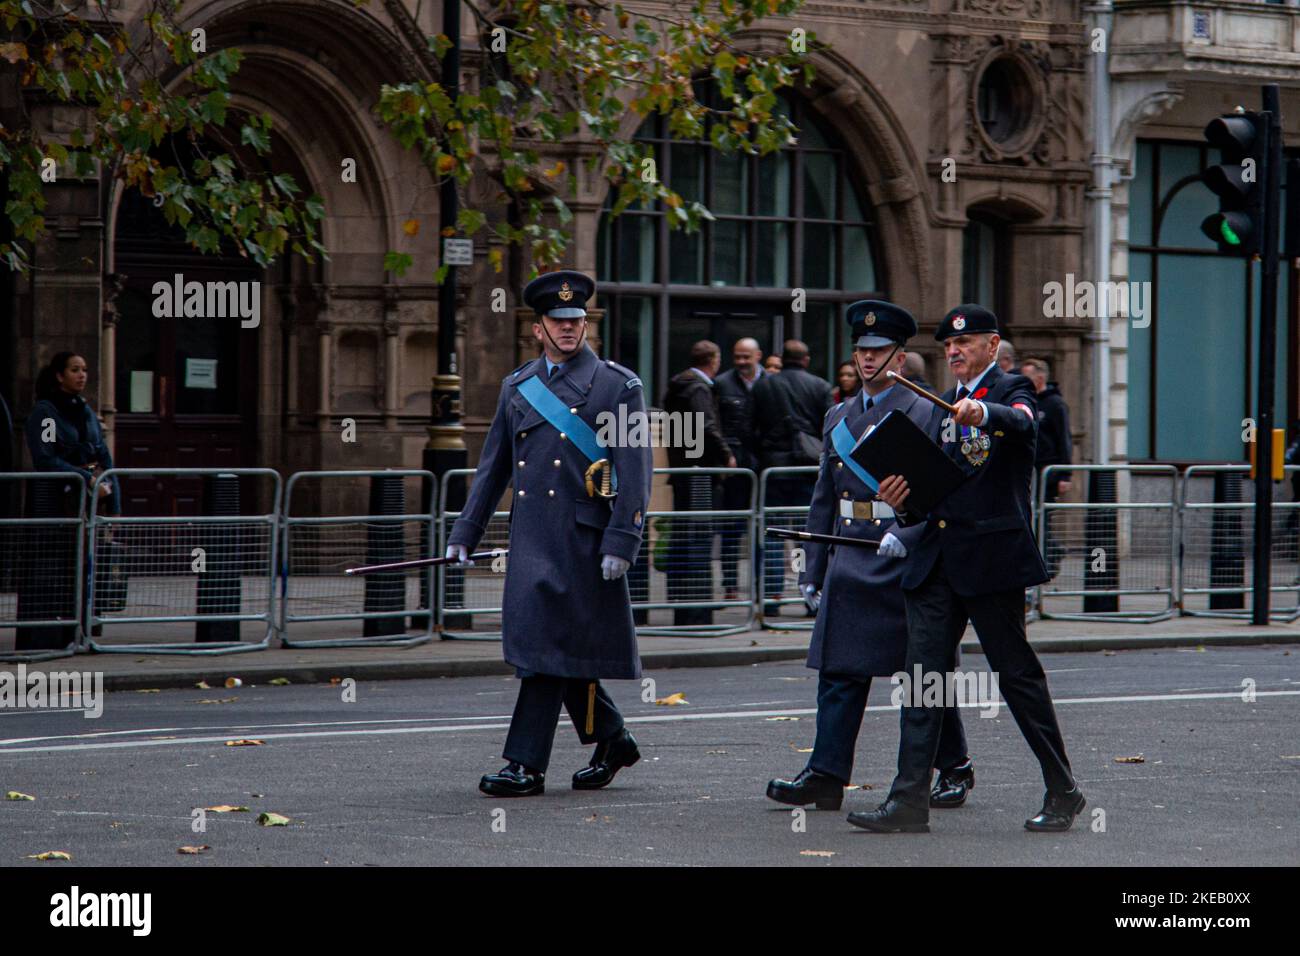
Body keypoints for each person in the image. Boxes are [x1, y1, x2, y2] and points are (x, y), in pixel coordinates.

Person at [851, 305, 1083, 834]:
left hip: (991, 560)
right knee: (922, 679)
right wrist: (902, 501)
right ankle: (908, 801)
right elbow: (939, 490)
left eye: (966, 343)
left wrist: (985, 415)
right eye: (948, 347)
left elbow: (1026, 423)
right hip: (938, 559)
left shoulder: (1009, 388)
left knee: (1017, 676)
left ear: (991, 344)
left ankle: (1063, 788)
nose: (954, 352)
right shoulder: (947, 402)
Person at [446, 270, 653, 797]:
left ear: (586, 323)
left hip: (584, 541)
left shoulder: (618, 385)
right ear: (538, 327)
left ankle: (525, 765)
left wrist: (622, 542)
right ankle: (613, 740)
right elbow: (493, 467)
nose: (568, 328)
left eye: (576, 320)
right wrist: (465, 531)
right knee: (553, 650)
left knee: (545, 652)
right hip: (533, 538)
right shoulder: (518, 386)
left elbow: (635, 469)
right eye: (558, 321)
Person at [766, 301, 972, 812]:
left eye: (879, 351)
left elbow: (947, 492)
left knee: (922, 673)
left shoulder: (928, 411)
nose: (867, 359)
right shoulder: (838, 413)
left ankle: (954, 767)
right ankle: (826, 773)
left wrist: (913, 531)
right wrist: (812, 568)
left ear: (899, 359)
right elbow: (823, 498)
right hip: (851, 557)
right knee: (839, 670)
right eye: (861, 350)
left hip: (906, 556)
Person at [19, 352, 121, 650]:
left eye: (85, 369)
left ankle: (82, 629)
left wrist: (112, 497)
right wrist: (83, 476)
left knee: (86, 566)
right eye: (75, 370)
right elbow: (45, 458)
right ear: (59, 375)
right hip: (57, 504)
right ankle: (57, 631)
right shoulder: (46, 413)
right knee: (58, 567)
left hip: (90, 503)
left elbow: (103, 453)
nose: (82, 375)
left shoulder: (86, 411)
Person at [752, 340, 833, 614]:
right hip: (807, 467)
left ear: (782, 359)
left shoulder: (763, 385)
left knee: (773, 533)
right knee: (806, 534)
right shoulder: (820, 386)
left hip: (773, 468)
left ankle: (772, 597)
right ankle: (808, 595)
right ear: (806, 360)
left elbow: (750, 427)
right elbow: (828, 428)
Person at [662, 341, 735, 626]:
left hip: (683, 470)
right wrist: (726, 454)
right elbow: (706, 425)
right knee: (699, 539)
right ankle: (697, 611)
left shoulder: (678, 385)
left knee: (685, 537)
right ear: (714, 361)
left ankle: (683, 607)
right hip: (701, 474)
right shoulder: (699, 388)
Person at [715, 338, 764, 600]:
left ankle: (762, 585)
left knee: (762, 527)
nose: (742, 362)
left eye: (747, 356)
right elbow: (716, 424)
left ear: (758, 355)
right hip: (735, 467)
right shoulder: (722, 384)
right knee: (732, 527)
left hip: (763, 466)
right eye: (737, 356)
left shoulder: (770, 383)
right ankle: (730, 584)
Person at [1021, 357, 1072, 578]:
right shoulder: (1028, 401)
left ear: (1040, 378)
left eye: (1027, 377)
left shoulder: (1055, 404)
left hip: (1048, 472)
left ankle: (1051, 557)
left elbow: (1064, 439)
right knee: (1033, 517)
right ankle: (1048, 555)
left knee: (1042, 516)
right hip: (1029, 471)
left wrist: (1065, 475)